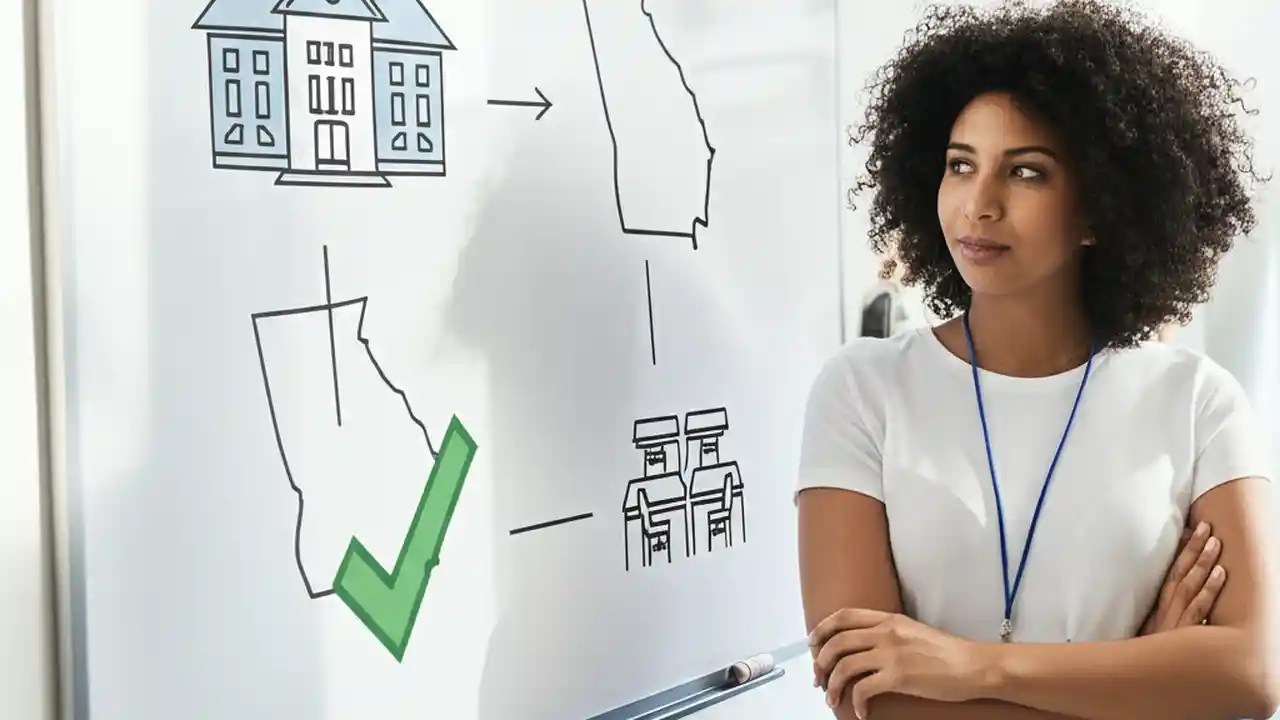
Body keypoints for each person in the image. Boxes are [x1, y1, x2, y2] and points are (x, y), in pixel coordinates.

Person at [796, 2, 1277, 719]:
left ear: (1098, 210)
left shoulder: (1197, 401)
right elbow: (878, 702)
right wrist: (1143, 677)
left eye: (1026, 173)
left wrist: (971, 668)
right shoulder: (861, 391)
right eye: (961, 165)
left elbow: (1251, 674)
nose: (979, 205)